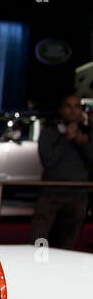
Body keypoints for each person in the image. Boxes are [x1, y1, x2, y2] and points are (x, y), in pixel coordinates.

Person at [31, 94, 92, 250]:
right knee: (40, 241)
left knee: (67, 244)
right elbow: (48, 162)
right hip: (50, 194)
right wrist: (66, 139)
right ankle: (38, 267)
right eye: (68, 106)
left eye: (77, 106)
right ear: (61, 109)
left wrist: (82, 144)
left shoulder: (88, 133)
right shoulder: (49, 133)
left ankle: (61, 272)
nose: (73, 111)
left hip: (78, 196)